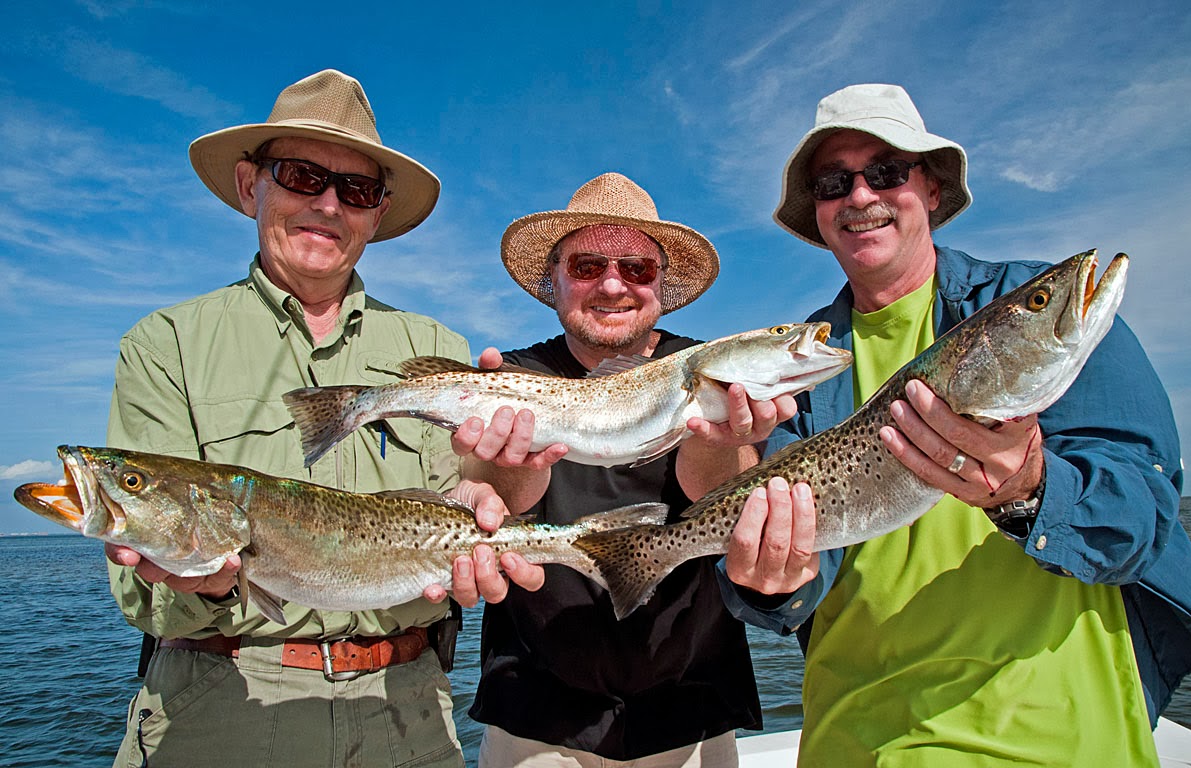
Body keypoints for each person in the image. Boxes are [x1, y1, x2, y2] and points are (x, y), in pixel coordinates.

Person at [721, 83, 1191, 766]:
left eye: (886, 171)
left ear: (934, 188)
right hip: (852, 742)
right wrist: (765, 578)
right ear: (820, 210)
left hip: (1056, 741)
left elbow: (1142, 522)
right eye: (834, 182)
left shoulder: (1056, 324)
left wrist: (1032, 487)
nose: (860, 196)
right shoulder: (795, 370)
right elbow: (792, 590)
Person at [103, 69, 514, 768]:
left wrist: (490, 490)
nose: (327, 204)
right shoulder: (164, 343)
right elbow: (141, 590)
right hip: (219, 709)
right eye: (300, 175)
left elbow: (464, 504)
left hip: (409, 710)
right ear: (248, 185)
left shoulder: (439, 351)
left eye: (355, 190)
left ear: (375, 214)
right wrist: (192, 585)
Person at [448, 172, 796, 766]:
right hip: (537, 719)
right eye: (587, 266)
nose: (613, 284)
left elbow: (732, 509)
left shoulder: (718, 376)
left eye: (636, 268)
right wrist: (508, 471)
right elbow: (487, 508)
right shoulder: (506, 379)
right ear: (552, 281)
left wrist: (723, 441)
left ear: (661, 285)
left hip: (693, 713)